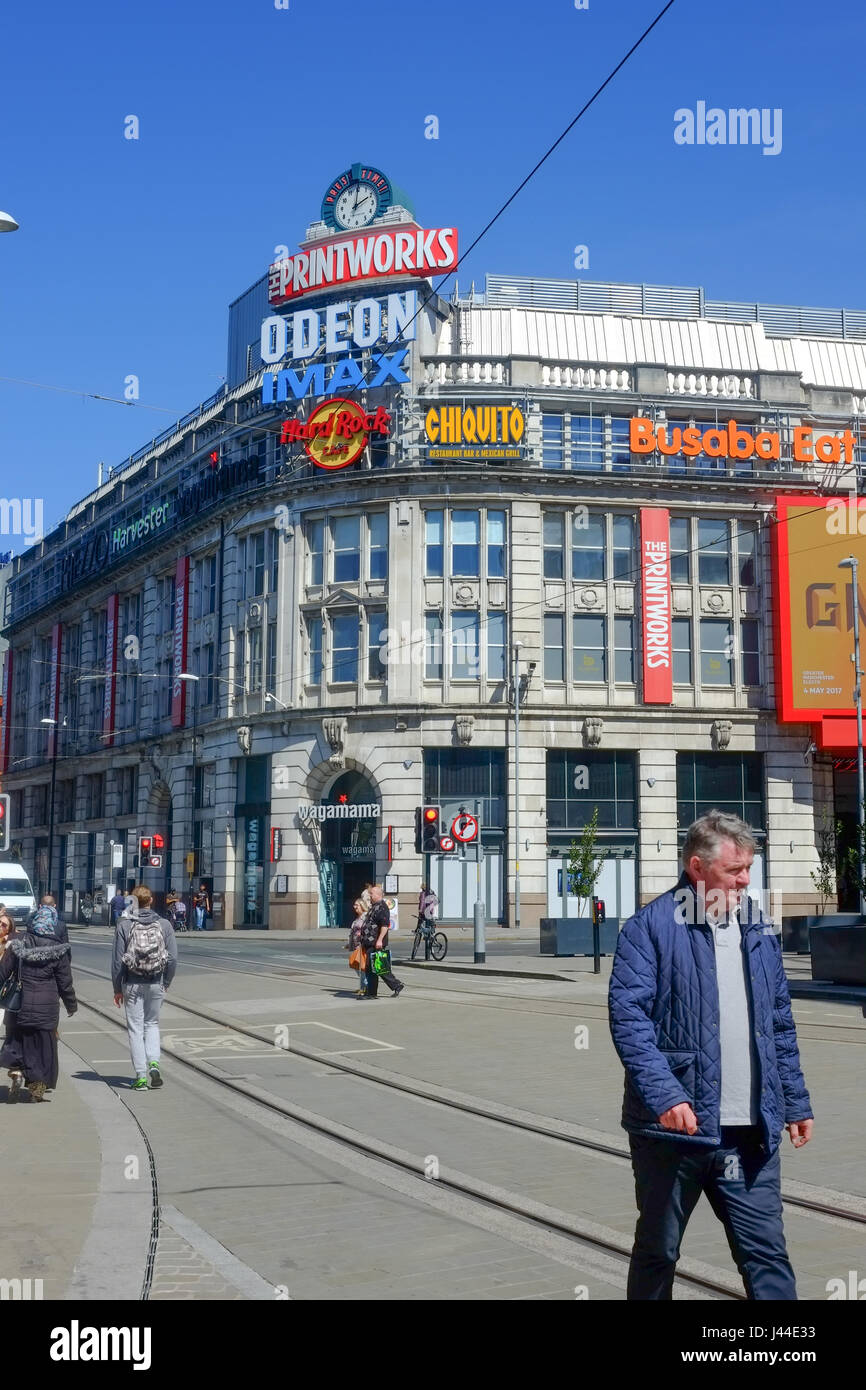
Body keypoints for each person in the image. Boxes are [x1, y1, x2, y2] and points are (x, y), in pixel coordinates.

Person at [608, 809, 813, 1301]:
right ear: (698, 868)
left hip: (750, 1134)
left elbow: (779, 1022)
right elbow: (629, 1020)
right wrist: (665, 1095)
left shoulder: (758, 929)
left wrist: (795, 1099)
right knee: (659, 1251)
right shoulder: (650, 928)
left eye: (748, 870)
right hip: (675, 1132)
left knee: (767, 1256)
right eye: (735, 870)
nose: (745, 880)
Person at [0, 897, 77, 1102]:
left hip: (19, 1005)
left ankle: (16, 1070)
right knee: (44, 1047)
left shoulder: (18, 944)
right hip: (47, 1008)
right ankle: (36, 1089)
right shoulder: (59, 950)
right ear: (52, 925)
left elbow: (2, 972)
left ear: (32, 923)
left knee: (17, 1039)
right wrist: (71, 1004)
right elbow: (65, 983)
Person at [112, 885, 177, 1091]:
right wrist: (166, 982)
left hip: (132, 982)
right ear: (151, 901)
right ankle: (154, 1064)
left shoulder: (124, 925)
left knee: (135, 1029)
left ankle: (140, 1076)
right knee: (152, 1024)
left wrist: (117, 988)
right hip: (156, 981)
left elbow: (117, 961)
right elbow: (173, 958)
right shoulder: (164, 924)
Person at [359, 885, 404, 998]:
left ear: (378, 895)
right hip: (369, 942)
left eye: (372, 893)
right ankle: (375, 991)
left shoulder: (382, 907)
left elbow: (384, 926)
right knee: (374, 968)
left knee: (378, 967)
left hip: (375, 943)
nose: (370, 895)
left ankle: (394, 985)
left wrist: (379, 940)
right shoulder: (374, 906)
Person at [347, 898, 369, 997]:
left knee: (361, 967)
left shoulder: (365, 917)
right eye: (354, 905)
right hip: (355, 946)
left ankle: (365, 987)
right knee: (357, 966)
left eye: (357, 905)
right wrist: (349, 943)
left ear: (362, 906)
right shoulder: (357, 918)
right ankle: (362, 986)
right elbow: (352, 932)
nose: (354, 907)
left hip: (362, 946)